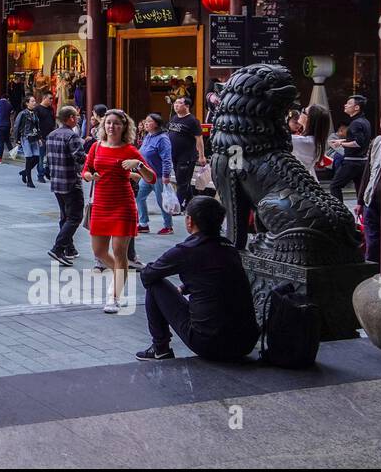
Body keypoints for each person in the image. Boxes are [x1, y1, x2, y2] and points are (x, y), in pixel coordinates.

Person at [135, 196, 261, 361]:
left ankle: (160, 347)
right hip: (246, 342)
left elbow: (147, 275)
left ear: (189, 221)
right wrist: (183, 287)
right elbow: (216, 279)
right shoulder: (229, 248)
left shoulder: (186, 251)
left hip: (208, 343)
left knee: (155, 284)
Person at [84, 108, 155, 314]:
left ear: (124, 127)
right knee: (98, 251)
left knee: (119, 251)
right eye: (108, 122)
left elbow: (151, 178)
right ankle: (120, 276)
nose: (111, 126)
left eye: (116, 123)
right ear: (103, 125)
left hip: (123, 204)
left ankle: (114, 296)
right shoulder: (96, 147)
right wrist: (88, 176)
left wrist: (139, 165)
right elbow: (86, 169)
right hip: (100, 204)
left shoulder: (130, 150)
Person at [45, 105, 85, 265]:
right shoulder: (72, 136)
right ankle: (58, 248)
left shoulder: (51, 135)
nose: (77, 119)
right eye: (76, 116)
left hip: (56, 181)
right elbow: (80, 158)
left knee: (65, 215)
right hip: (70, 181)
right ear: (70, 118)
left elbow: (48, 159)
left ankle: (69, 248)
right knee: (75, 216)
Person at [135, 113, 176, 235]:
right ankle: (143, 224)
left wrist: (166, 175)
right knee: (139, 197)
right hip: (146, 174)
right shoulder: (148, 136)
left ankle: (168, 226)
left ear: (157, 124)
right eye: (145, 121)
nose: (146, 123)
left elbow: (167, 159)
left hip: (158, 176)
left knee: (161, 201)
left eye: (149, 121)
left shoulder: (163, 139)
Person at [329, 95, 372, 201]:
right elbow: (361, 140)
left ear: (356, 107)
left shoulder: (356, 123)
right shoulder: (365, 121)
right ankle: (362, 215)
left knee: (334, 186)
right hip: (362, 162)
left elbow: (358, 143)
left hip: (352, 162)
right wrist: (341, 140)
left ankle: (340, 213)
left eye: (348, 103)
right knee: (360, 190)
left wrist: (341, 144)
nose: (345, 105)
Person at [166, 95, 205, 204]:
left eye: (179, 103)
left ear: (187, 106)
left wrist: (201, 156)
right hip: (174, 155)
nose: (175, 105)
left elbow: (199, 139)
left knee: (182, 182)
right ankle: (190, 201)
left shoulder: (193, 121)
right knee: (182, 180)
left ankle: (177, 206)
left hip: (186, 156)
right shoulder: (174, 118)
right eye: (175, 103)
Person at [358, 134, 381, 263]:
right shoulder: (377, 141)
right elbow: (368, 170)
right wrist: (360, 201)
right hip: (371, 195)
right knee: (372, 239)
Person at [291, 103, 332, 175]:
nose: (300, 113)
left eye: (303, 111)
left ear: (309, 118)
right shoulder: (313, 140)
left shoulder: (305, 141)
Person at [34, 93, 56, 182]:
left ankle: (47, 171)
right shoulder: (37, 109)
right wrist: (38, 136)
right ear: (44, 98)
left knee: (50, 156)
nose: (51, 100)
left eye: (52, 99)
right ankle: (40, 174)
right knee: (41, 156)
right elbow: (35, 123)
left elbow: (53, 121)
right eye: (50, 98)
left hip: (50, 136)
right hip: (41, 136)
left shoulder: (51, 109)